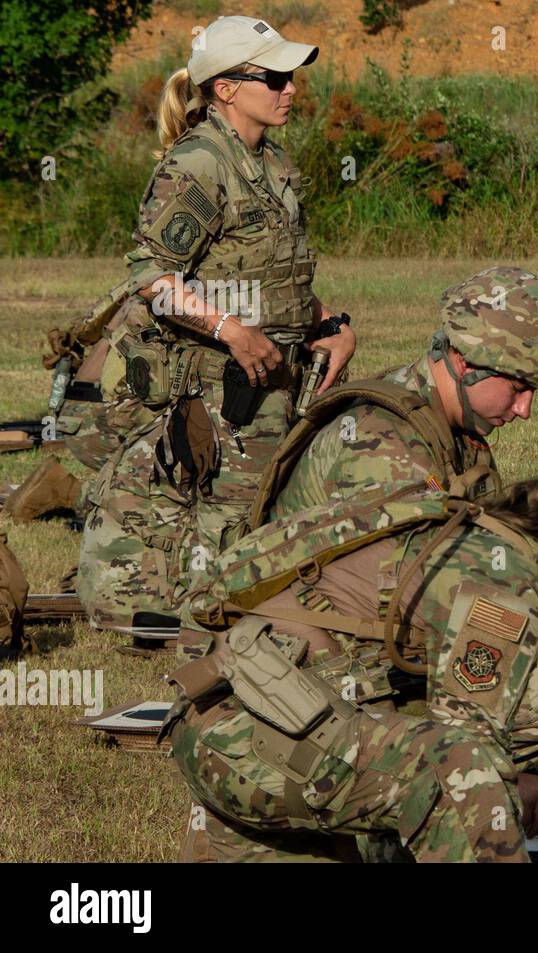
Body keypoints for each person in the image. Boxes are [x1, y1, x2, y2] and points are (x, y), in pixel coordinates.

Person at [165, 465, 538, 861]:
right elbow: (467, 745)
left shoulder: (488, 540)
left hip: (237, 714)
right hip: (245, 735)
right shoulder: (502, 575)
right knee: (456, 772)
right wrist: (503, 790)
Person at [77, 15, 355, 628]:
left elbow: (272, 273)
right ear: (226, 87)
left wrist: (328, 322)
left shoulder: (271, 162)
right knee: (228, 520)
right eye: (276, 77)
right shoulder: (200, 164)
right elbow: (152, 279)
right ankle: (191, 623)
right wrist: (230, 328)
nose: (291, 89)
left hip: (269, 378)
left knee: (266, 510)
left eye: (292, 77)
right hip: (214, 383)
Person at [258, 265, 538, 523]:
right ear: (466, 362)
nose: (524, 410)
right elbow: (413, 586)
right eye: (518, 389)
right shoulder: (384, 445)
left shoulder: (443, 420)